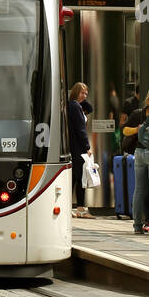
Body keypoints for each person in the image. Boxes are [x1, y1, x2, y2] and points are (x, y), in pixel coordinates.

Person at [124, 90, 149, 234]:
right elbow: (124, 130)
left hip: (140, 154)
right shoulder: (140, 114)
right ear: (147, 100)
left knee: (141, 191)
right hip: (147, 153)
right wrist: (137, 129)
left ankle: (139, 226)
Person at [68, 82, 93, 218]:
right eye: (82, 93)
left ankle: (75, 207)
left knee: (75, 177)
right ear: (76, 92)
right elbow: (80, 129)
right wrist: (87, 147)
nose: (84, 96)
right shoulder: (75, 106)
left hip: (74, 146)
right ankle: (80, 208)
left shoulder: (72, 105)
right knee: (80, 178)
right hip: (78, 147)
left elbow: (91, 108)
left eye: (86, 94)